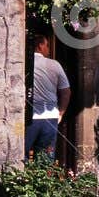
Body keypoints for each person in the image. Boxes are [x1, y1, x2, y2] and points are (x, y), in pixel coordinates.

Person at [27, 32, 70, 160]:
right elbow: (66, 91)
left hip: (28, 118)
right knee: (45, 159)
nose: (48, 49)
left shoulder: (25, 63)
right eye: (47, 45)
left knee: (20, 156)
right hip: (50, 118)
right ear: (40, 46)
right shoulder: (55, 65)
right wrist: (61, 113)